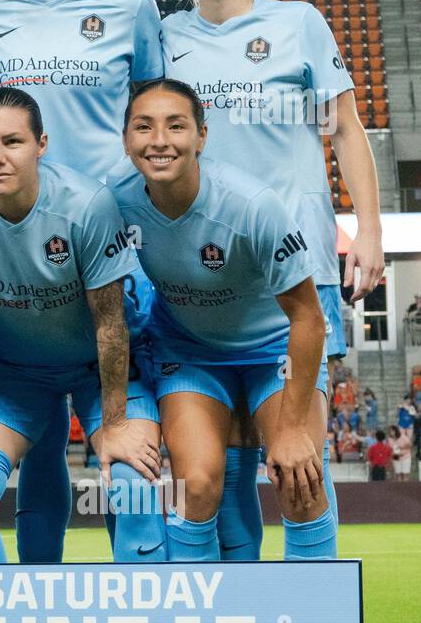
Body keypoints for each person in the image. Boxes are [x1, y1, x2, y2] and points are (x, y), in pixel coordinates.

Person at [0, 0, 164, 563]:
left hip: (110, 252)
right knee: (36, 450)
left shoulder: (131, 5)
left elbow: (151, 119)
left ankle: (131, 602)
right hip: (17, 254)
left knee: (124, 453)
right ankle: (37, 611)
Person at [165, 0, 384, 559]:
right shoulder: (165, 38)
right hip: (198, 285)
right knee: (217, 486)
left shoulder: (300, 23)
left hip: (295, 280)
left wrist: (370, 231)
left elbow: (344, 129)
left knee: (297, 470)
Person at [0, 87, 165, 563]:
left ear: (42, 145)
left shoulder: (86, 204)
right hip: (16, 374)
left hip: (101, 370)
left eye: (12, 142)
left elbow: (110, 324)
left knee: (133, 484)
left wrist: (115, 424)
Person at [111, 79, 335, 560]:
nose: (160, 140)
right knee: (196, 485)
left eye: (177, 126)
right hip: (189, 352)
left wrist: (293, 427)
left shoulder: (252, 206)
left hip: (275, 351)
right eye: (143, 127)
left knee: (300, 480)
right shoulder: (115, 201)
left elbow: (308, 318)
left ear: (202, 136)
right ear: (126, 139)